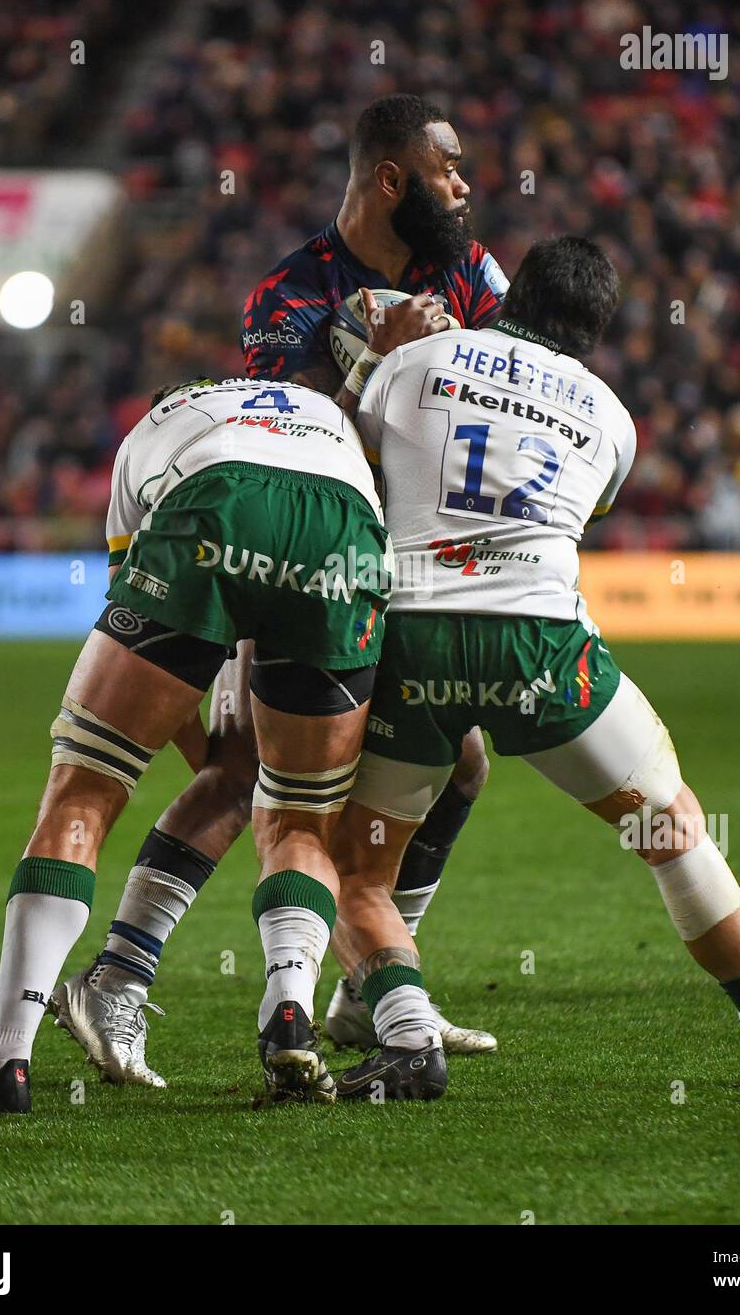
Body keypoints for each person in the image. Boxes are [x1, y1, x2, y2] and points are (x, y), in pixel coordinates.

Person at [325, 237, 740, 1100]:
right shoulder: (611, 414)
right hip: (540, 642)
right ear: (596, 331)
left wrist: (366, 368)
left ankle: (403, 1031)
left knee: (358, 871)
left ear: (507, 295)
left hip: (412, 636)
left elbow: (353, 467)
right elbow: (584, 503)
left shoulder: (414, 359)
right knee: (669, 828)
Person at [59, 94, 508, 1085]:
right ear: (392, 178)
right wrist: (381, 365)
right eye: (451, 168)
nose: (467, 187)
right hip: (314, 550)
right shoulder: (291, 293)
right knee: (240, 765)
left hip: (411, 558)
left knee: (462, 761)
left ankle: (360, 995)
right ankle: (116, 977)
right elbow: (293, 446)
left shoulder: (472, 278)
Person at [0, 376, 391, 1111]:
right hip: (344, 527)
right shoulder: (323, 413)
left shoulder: (151, 430)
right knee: (299, 817)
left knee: (84, 792)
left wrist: (202, 757)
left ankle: (6, 1063)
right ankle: (289, 1009)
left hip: (214, 500)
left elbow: (147, 613)